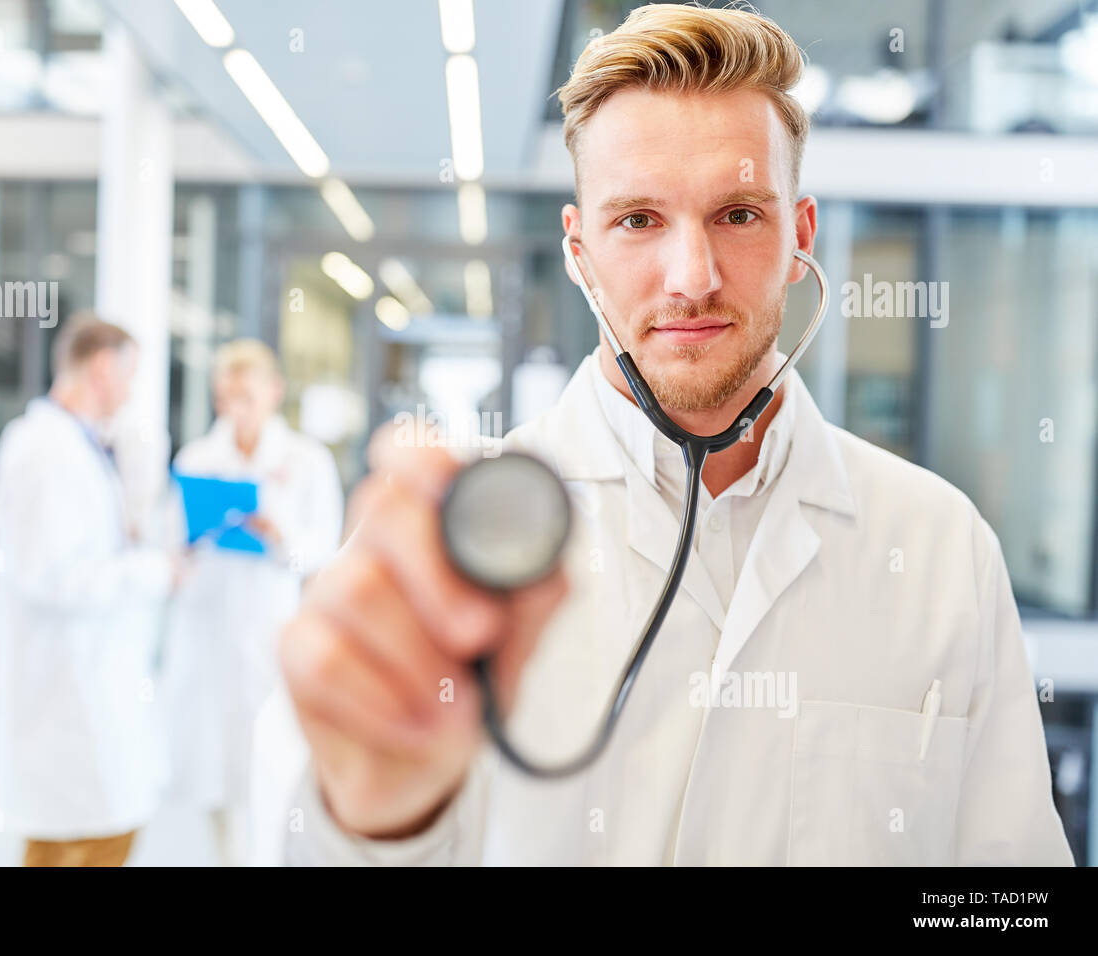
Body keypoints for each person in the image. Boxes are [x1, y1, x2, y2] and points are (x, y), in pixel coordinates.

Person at [257, 5, 1074, 865]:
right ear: (579, 251)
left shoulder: (942, 549)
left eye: (738, 214)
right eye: (639, 220)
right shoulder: (444, 555)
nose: (693, 278)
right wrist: (381, 817)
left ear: (800, 235)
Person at [0, 312, 184, 867]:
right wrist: (153, 571)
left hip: (90, 682)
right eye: (129, 376)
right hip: (66, 690)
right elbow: (56, 578)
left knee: (93, 832)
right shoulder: (44, 451)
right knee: (84, 836)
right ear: (101, 368)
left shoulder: (77, 446)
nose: (130, 391)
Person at [161, 339, 343, 865]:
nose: (234, 407)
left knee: (274, 771)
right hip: (207, 630)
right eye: (224, 396)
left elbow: (323, 550)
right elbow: (173, 542)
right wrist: (190, 540)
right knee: (211, 772)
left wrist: (279, 536)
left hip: (270, 626)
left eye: (245, 394)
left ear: (273, 392)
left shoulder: (306, 460)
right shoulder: (196, 458)